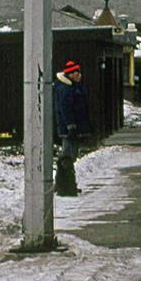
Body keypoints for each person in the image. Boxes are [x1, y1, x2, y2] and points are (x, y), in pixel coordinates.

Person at [54, 60, 89, 196]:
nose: (78, 74)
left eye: (78, 72)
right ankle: (65, 184)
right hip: (69, 128)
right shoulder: (65, 89)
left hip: (73, 127)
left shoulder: (73, 86)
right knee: (67, 156)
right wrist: (71, 126)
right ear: (69, 74)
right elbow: (65, 109)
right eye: (75, 72)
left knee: (70, 155)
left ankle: (63, 182)